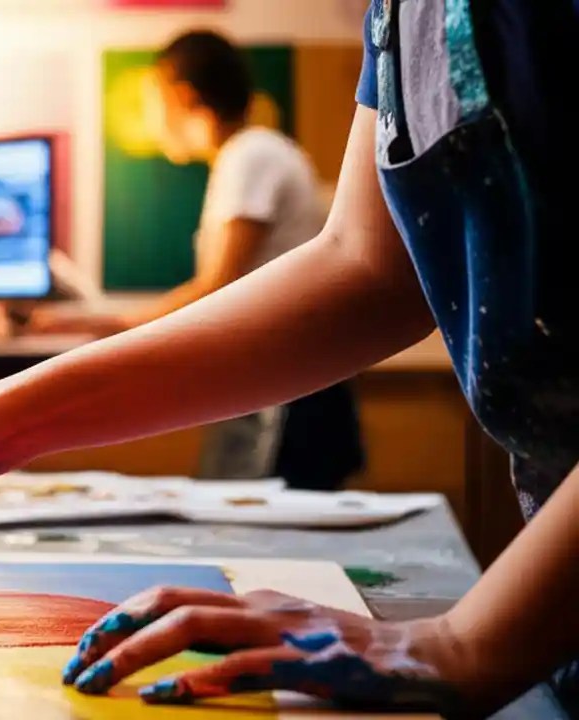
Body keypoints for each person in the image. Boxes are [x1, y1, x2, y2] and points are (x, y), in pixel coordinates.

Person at [0, 0, 579, 715]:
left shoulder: (249, 155)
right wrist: (0, 412)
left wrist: (469, 642)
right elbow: (368, 265)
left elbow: (244, 277)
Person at [48, 31, 365, 490]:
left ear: (180, 97)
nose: (152, 120)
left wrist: (110, 325)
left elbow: (217, 287)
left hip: (288, 398)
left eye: (152, 102)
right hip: (284, 383)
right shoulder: (251, 154)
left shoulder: (250, 156)